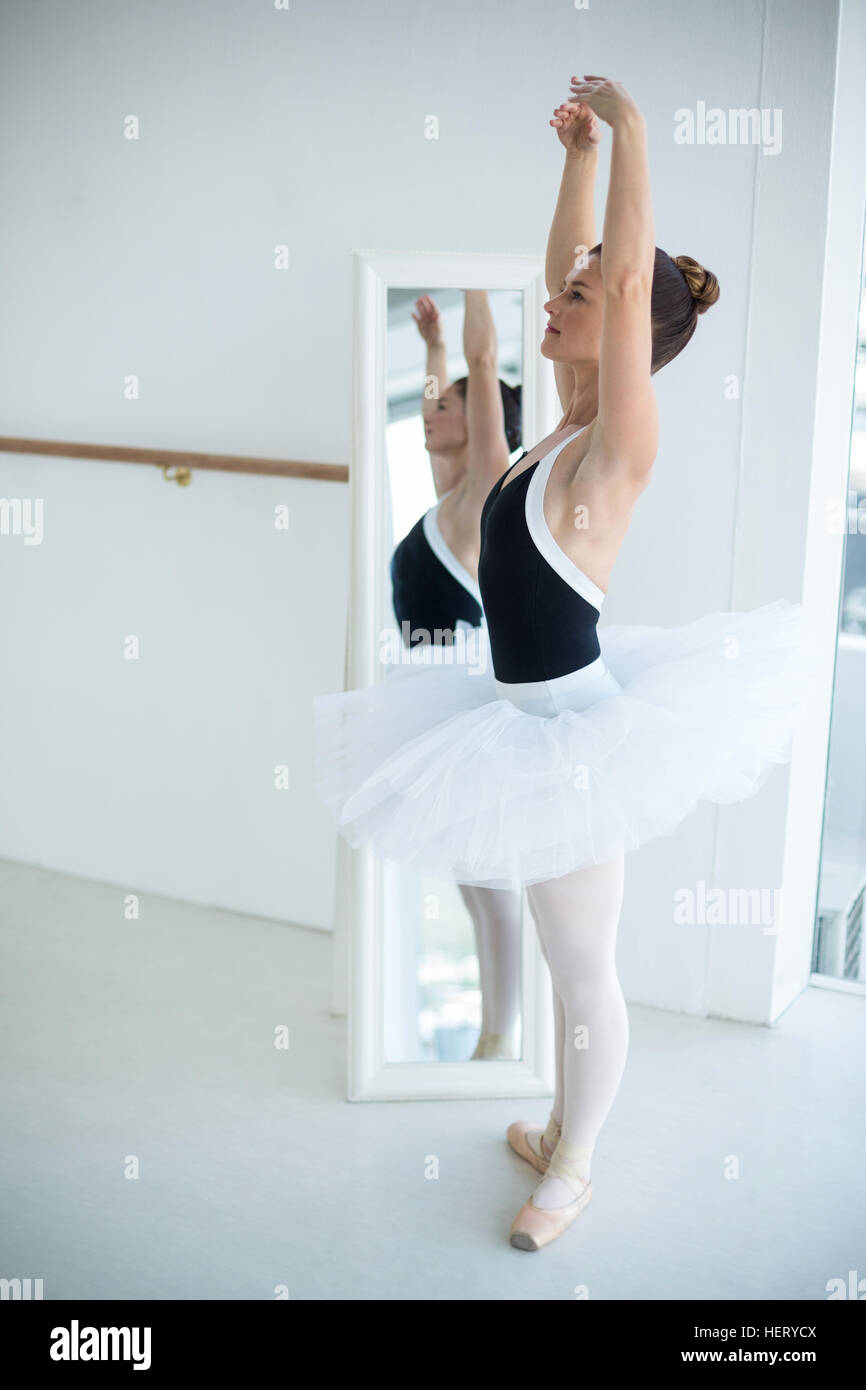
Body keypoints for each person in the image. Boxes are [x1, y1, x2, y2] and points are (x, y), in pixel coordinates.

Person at [314, 76, 820, 1250]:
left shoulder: (618, 440)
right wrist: (576, 157)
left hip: (578, 736)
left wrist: (634, 132)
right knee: (554, 952)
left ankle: (576, 1161)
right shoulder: (553, 426)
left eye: (580, 295)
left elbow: (623, 274)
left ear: (628, 329)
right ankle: (554, 1125)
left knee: (584, 968)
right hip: (514, 719)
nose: (556, 298)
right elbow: (579, 269)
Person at [389, 291, 523, 1059]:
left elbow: (482, 366)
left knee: (491, 879)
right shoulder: (447, 498)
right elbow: (440, 403)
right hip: (435, 703)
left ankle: (501, 1036)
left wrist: (478, 288)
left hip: (467, 708)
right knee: (473, 883)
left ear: (479, 427)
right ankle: (493, 1030)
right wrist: (434, 348)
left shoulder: (481, 496)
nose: (431, 409)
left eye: (449, 405)